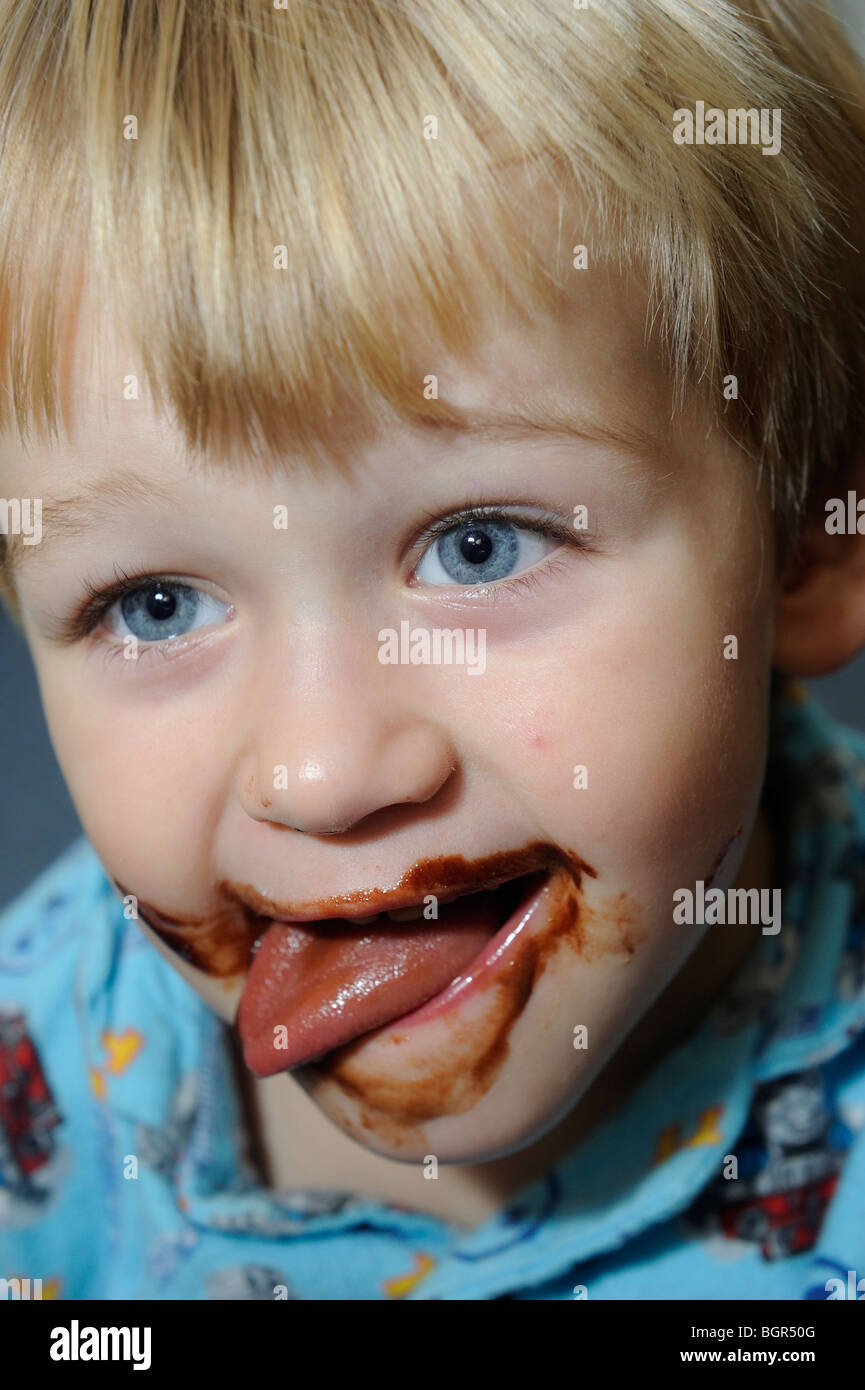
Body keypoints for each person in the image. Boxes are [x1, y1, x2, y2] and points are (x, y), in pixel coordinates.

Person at [1, 0, 865, 1300]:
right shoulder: (40, 1070)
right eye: (156, 603)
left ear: (808, 537)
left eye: (479, 545)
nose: (321, 770)